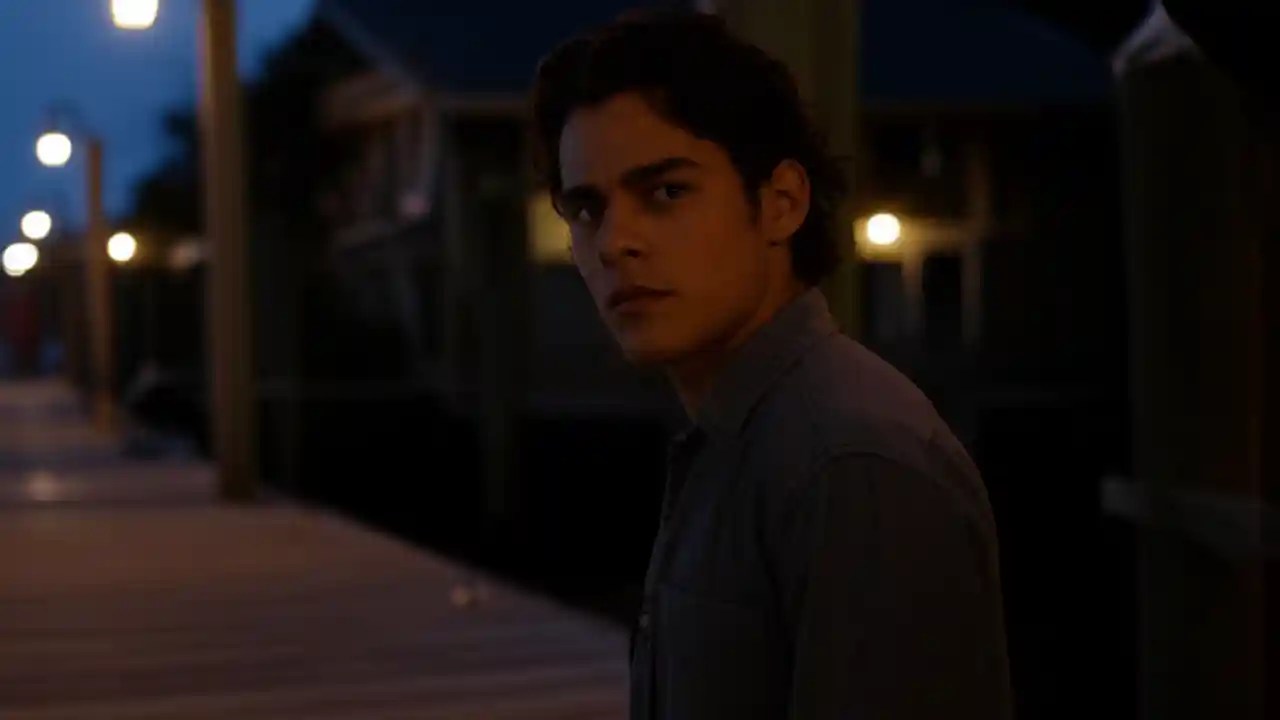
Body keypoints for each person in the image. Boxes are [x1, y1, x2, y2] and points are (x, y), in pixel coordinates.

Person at [532, 12, 1012, 719]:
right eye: (586, 208)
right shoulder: (737, 437)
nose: (614, 242)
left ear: (780, 203)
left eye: (666, 192)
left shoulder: (851, 461)